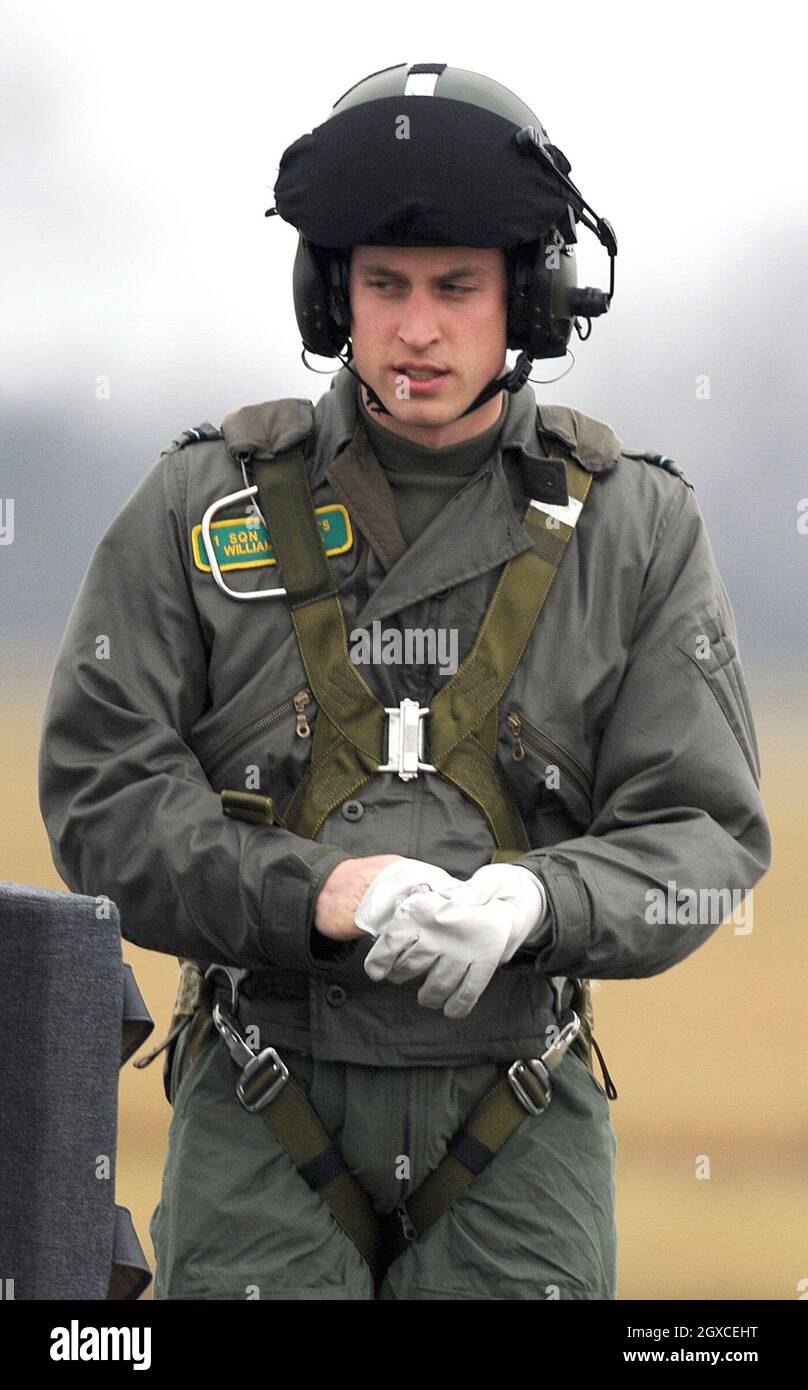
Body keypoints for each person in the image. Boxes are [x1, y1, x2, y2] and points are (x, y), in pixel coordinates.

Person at [38, 62, 771, 1301]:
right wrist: (315, 891)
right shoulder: (201, 502)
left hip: (517, 1121)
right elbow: (101, 802)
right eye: (381, 286)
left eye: (454, 289)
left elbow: (702, 840)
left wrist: (537, 905)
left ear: (529, 302)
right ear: (330, 295)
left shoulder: (635, 527)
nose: (415, 329)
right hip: (260, 1109)